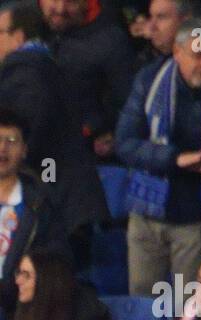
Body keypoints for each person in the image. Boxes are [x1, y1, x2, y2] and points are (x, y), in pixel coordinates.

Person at [116, 16, 201, 295]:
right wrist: (174, 159)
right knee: (144, 303)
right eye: (198, 55)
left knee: (188, 304)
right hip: (147, 212)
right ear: (177, 52)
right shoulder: (150, 79)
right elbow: (125, 143)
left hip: (198, 216)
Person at [0, 2, 109, 250]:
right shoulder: (43, 64)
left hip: (57, 207)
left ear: (18, 35)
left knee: (52, 283)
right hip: (69, 203)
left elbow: (27, 134)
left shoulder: (23, 71)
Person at [0, 109, 70, 320]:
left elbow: (56, 261)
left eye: (11, 141)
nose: (2, 148)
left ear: (24, 150)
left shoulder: (41, 205)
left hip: (16, 316)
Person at [40, 0, 135, 160]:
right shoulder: (25, 22)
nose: (60, 9)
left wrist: (103, 130)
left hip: (86, 152)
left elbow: (128, 102)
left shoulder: (110, 40)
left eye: (71, 2)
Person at [10, 248, 115, 320]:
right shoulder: (24, 314)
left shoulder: (83, 310)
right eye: (18, 273)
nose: (18, 281)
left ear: (47, 280)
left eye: (26, 275)